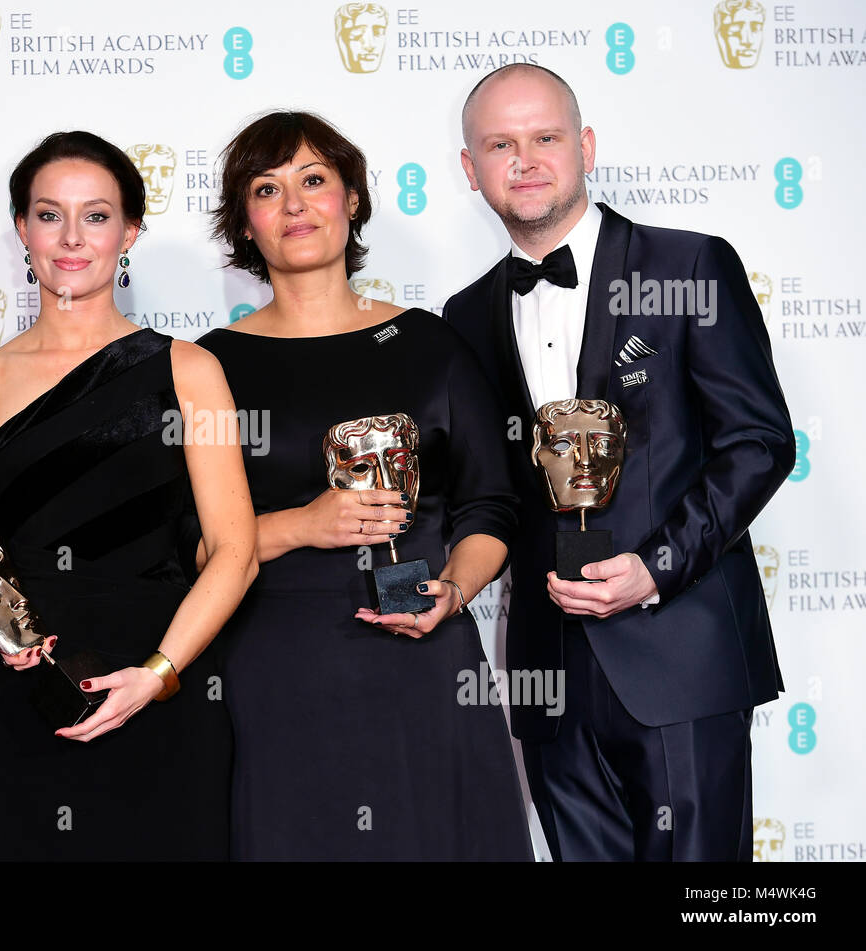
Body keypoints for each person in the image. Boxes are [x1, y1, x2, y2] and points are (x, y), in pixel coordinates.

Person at [445, 63, 793, 860]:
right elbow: (487, 489)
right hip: (548, 677)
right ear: (471, 169)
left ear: (587, 147)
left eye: (546, 138)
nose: (525, 160)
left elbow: (760, 441)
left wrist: (657, 565)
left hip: (680, 652)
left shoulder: (689, 266)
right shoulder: (464, 315)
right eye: (500, 143)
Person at [191, 111, 532, 860]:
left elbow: (490, 503)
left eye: (314, 180)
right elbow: (181, 543)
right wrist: (300, 525)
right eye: (267, 189)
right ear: (244, 225)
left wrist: (455, 588)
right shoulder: (206, 364)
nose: (295, 205)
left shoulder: (428, 342)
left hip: (423, 653)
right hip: (275, 662)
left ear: (352, 199)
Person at [0, 130, 257, 860]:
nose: (72, 238)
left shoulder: (189, 369)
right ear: (22, 229)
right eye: (50, 215)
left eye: (97, 215)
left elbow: (236, 552)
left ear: (130, 231)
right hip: (24, 694)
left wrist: (158, 674)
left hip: (164, 689)